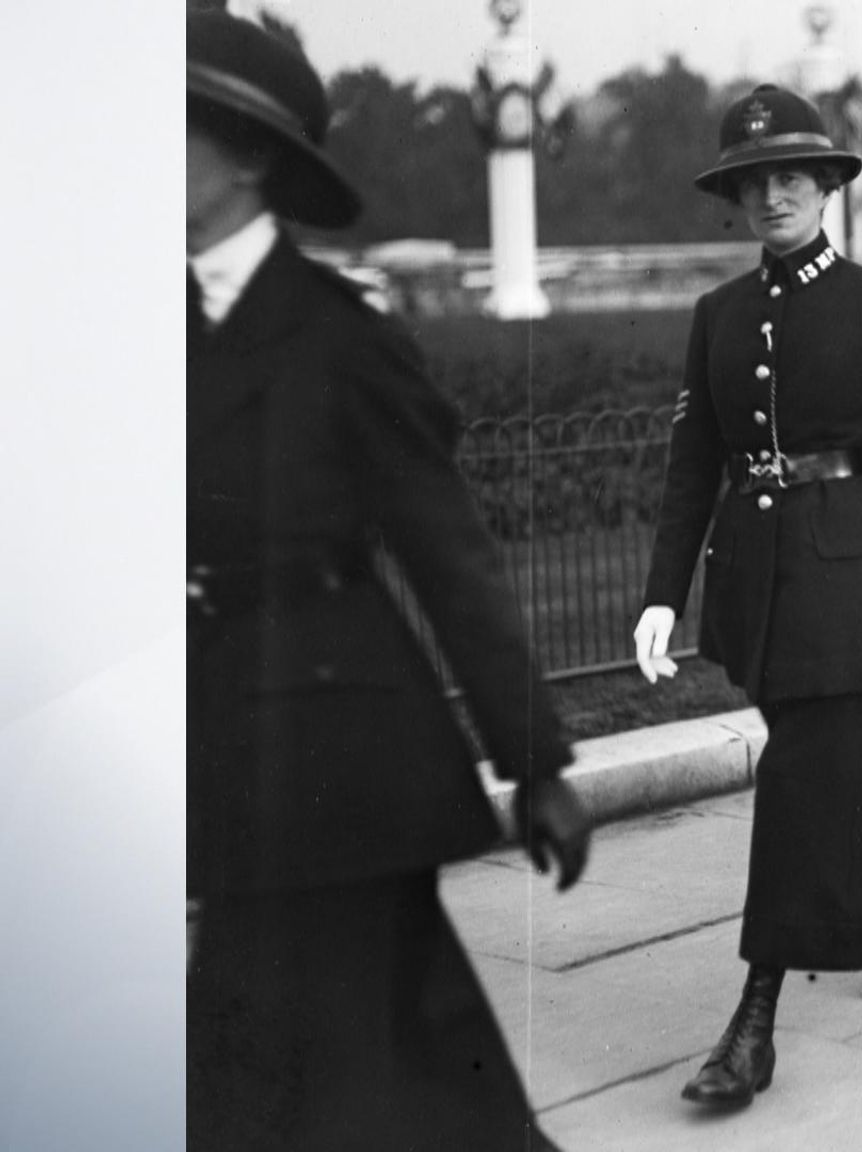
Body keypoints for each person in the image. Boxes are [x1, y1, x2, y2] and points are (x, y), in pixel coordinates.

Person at [185, 13, 592, 1149]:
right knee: (373, 1076)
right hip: (226, 754)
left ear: (247, 155)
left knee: (307, 1081)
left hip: (340, 761)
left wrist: (536, 761)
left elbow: (447, 557)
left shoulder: (338, 338)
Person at [632, 84, 862, 1108]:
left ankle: (754, 1022)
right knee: (842, 774)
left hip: (852, 580)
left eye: (791, 177)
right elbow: (691, 469)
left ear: (827, 187)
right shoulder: (718, 316)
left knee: (799, 788)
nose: (772, 196)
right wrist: (661, 595)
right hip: (758, 586)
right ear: (734, 199)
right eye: (753, 183)